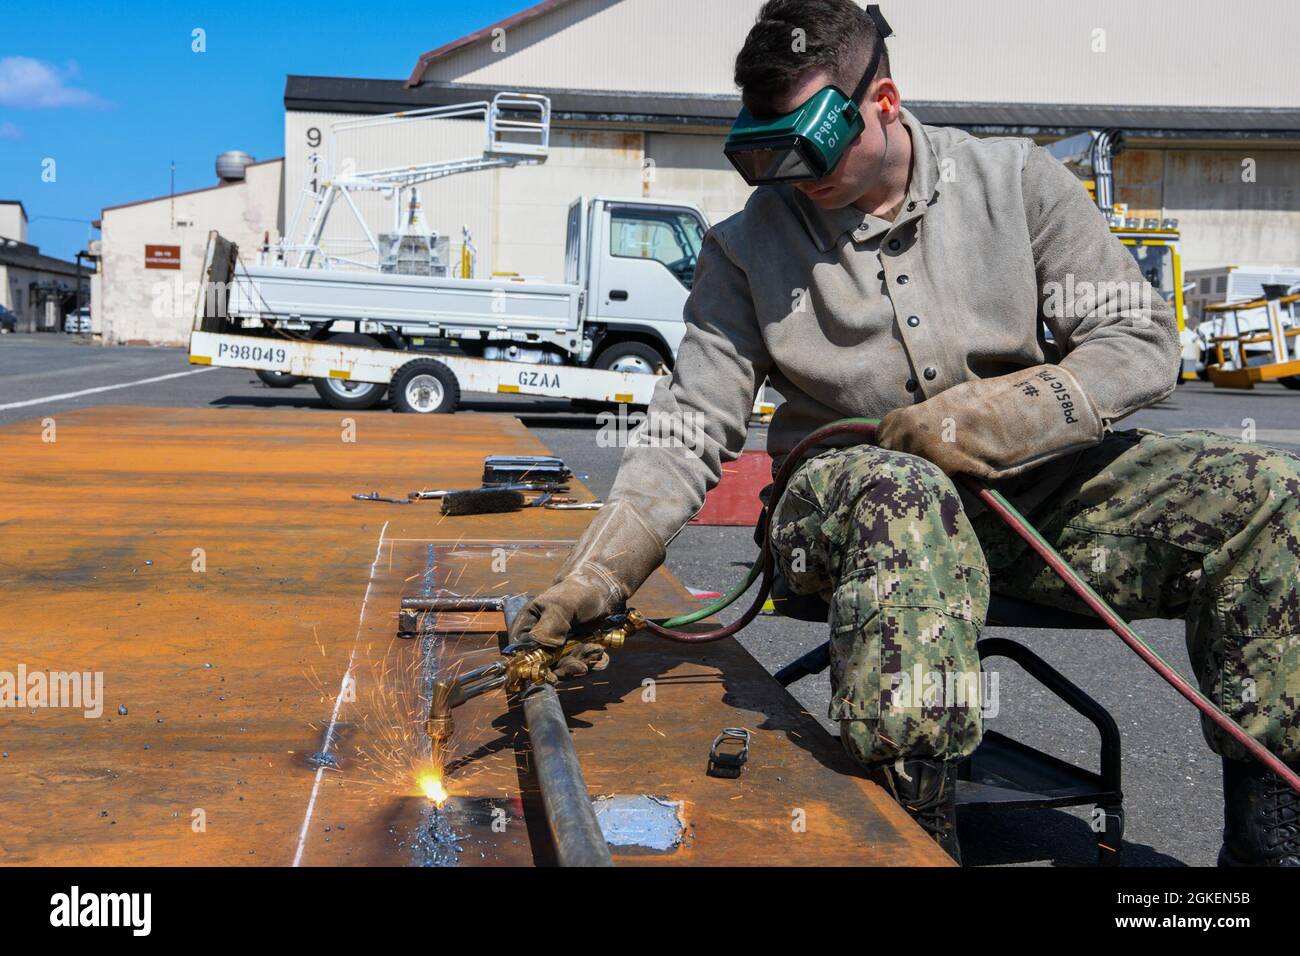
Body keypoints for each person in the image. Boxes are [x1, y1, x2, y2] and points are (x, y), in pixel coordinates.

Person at [509, 0, 1300, 865]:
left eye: (811, 145)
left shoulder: (1015, 184)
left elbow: (1137, 340)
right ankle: (910, 839)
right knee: (903, 489)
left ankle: (1270, 846)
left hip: (1032, 498)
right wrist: (601, 572)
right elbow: (691, 424)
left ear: (882, 99)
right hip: (852, 512)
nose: (792, 172)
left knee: (1270, 495)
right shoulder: (745, 249)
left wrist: (1000, 415)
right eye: (767, 150)